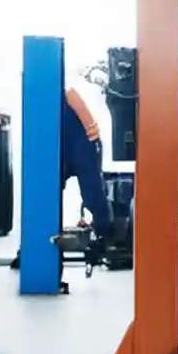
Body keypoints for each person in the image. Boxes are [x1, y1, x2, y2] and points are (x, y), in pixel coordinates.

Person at [62, 86, 115, 241]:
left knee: (92, 194)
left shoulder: (69, 94)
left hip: (85, 144)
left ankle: (104, 234)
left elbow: (89, 126)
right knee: (47, 193)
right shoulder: (52, 98)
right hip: (68, 146)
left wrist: (93, 145)